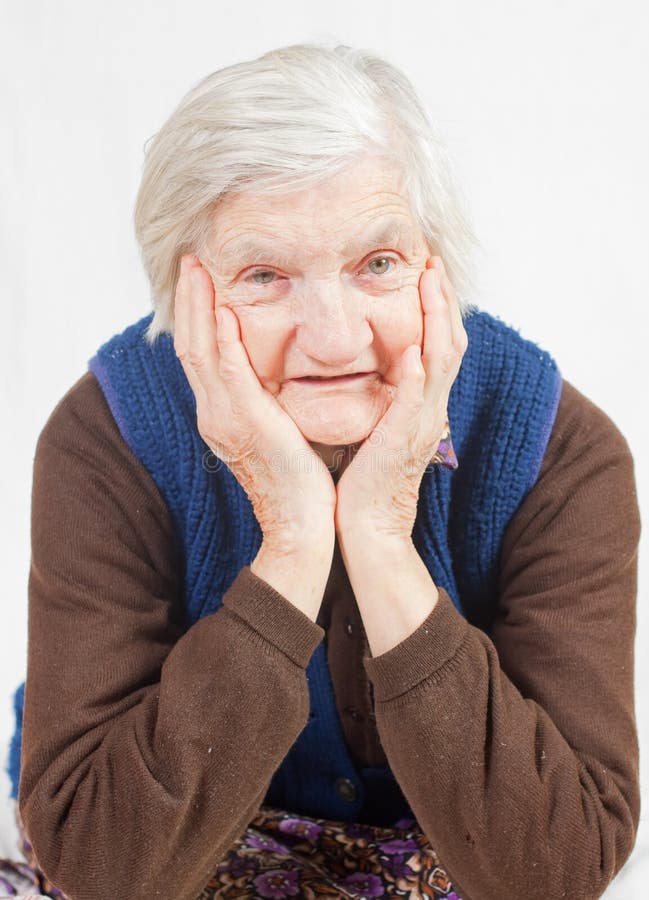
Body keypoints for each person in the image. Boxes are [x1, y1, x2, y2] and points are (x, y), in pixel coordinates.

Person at [3, 42, 640, 900]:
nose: (336, 340)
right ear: (187, 295)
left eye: (376, 264)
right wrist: (294, 538)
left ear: (435, 267)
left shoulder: (555, 451)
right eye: (265, 275)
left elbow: (558, 869)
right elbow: (102, 864)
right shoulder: (108, 438)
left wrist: (378, 536)